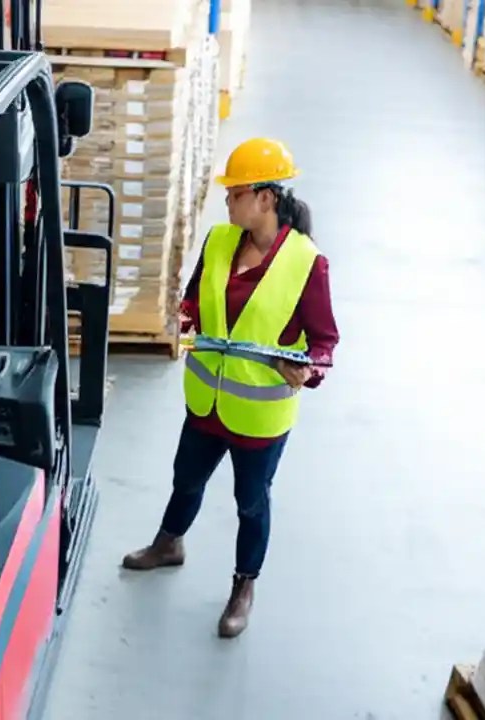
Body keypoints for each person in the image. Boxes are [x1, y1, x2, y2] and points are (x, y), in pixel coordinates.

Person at [120, 138, 340, 638]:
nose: (227, 201)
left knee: (250, 502)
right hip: (207, 402)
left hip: (258, 417)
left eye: (235, 193)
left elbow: (324, 341)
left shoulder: (307, 263)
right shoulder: (219, 240)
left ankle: (244, 586)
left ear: (264, 198)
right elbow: (195, 298)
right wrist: (183, 317)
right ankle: (168, 544)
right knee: (186, 478)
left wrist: (308, 370)